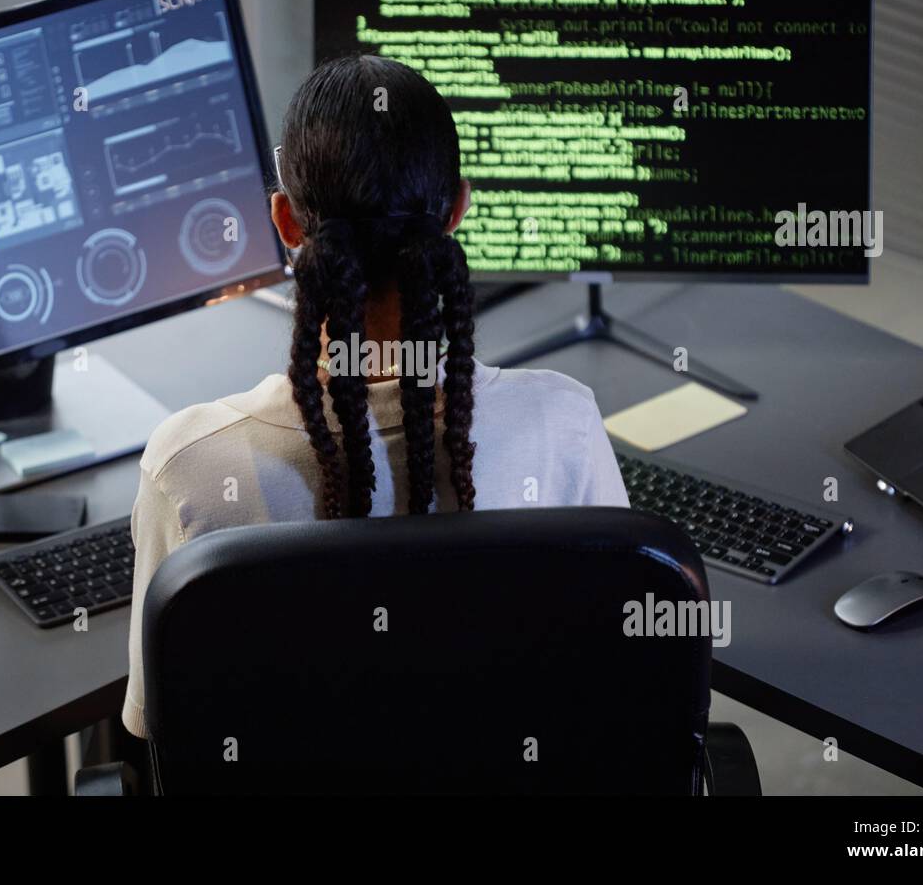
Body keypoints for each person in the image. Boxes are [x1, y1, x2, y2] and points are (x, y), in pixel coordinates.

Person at [121, 55, 628, 738]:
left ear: (287, 223)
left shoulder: (186, 467)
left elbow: (156, 723)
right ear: (457, 210)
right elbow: (621, 676)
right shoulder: (563, 424)